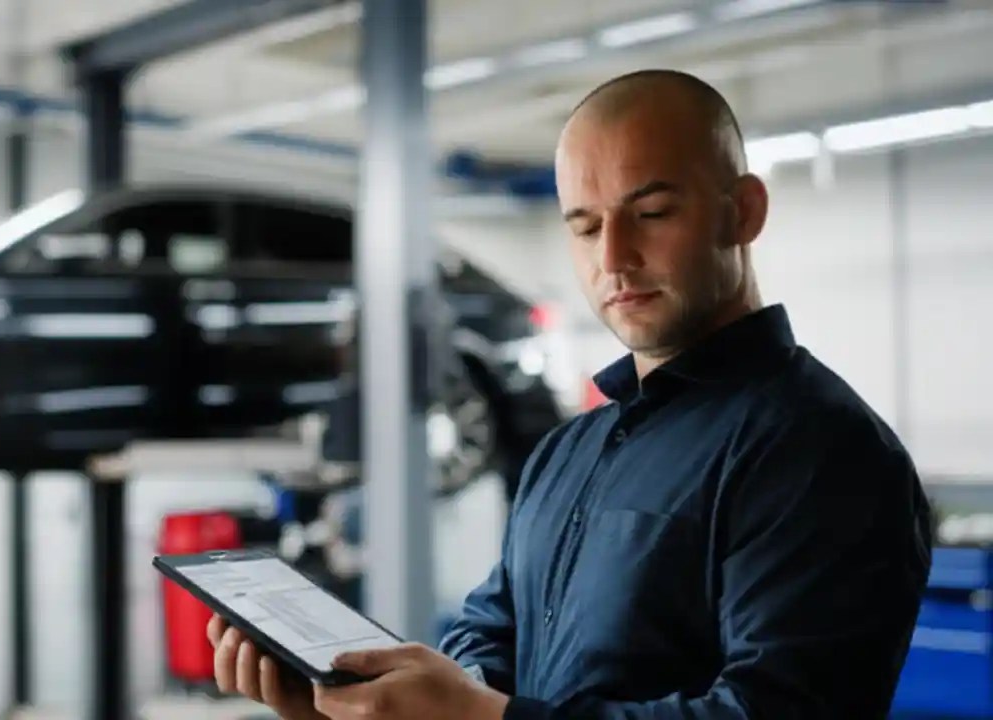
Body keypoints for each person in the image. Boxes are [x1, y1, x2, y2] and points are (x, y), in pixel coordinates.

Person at [205, 68, 933, 719]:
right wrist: (364, 703)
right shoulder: (570, 450)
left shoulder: (820, 447)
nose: (612, 258)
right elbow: (487, 635)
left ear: (742, 212)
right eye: (585, 227)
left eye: (650, 214)